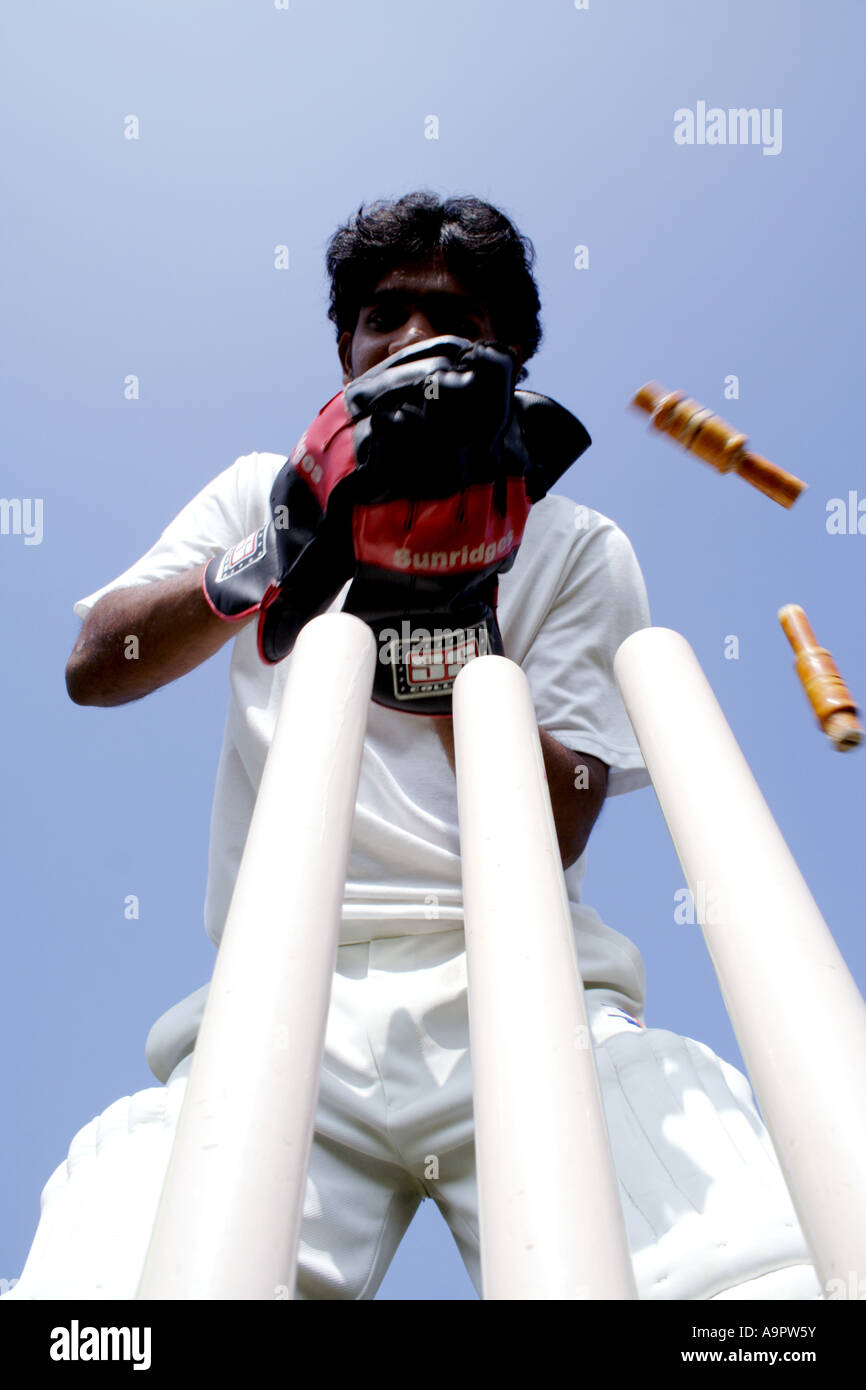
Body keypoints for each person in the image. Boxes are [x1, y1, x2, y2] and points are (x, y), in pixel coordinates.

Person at [3, 191, 822, 1301]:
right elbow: (95, 666)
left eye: (455, 315)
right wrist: (282, 546)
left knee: (745, 1277)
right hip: (278, 983)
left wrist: (438, 610)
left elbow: (564, 811)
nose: (412, 337)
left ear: (509, 352)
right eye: (382, 314)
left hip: (527, 973)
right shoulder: (261, 488)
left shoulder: (577, 542)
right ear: (344, 342)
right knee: (118, 1288)